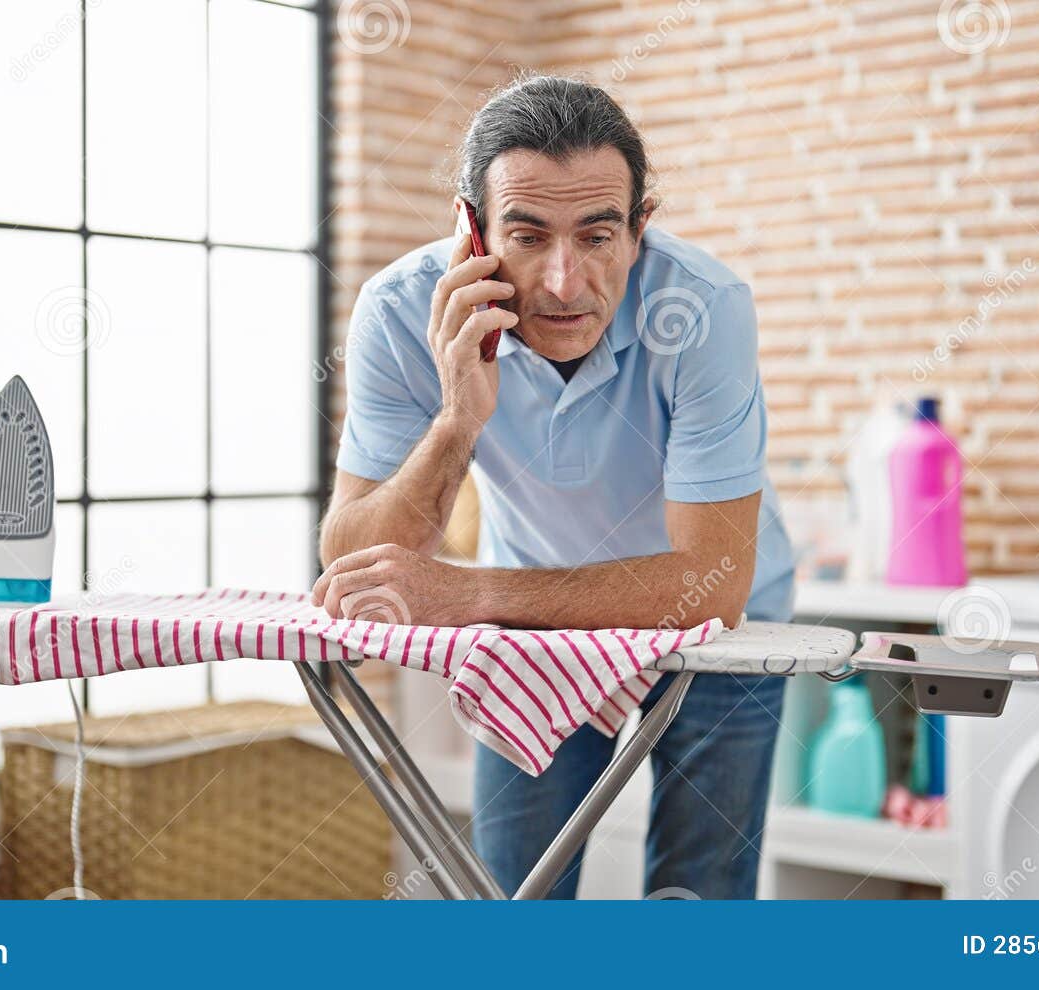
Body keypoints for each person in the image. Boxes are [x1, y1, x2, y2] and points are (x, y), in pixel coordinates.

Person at [313, 74, 796, 899]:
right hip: (538, 628)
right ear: (471, 229)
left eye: (598, 236)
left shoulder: (704, 309)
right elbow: (355, 562)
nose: (565, 282)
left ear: (642, 229)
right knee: (518, 894)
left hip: (712, 629)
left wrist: (467, 596)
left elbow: (713, 583)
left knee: (698, 903)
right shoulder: (397, 311)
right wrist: (457, 419)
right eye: (528, 236)